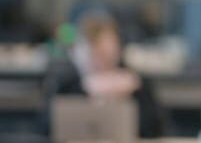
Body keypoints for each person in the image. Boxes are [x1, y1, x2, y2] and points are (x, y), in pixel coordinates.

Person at [41, 10, 164, 138]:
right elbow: (46, 128)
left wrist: (127, 99)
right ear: (84, 53)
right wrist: (87, 89)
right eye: (100, 55)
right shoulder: (67, 83)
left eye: (112, 54)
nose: (107, 62)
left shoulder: (133, 82)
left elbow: (155, 130)